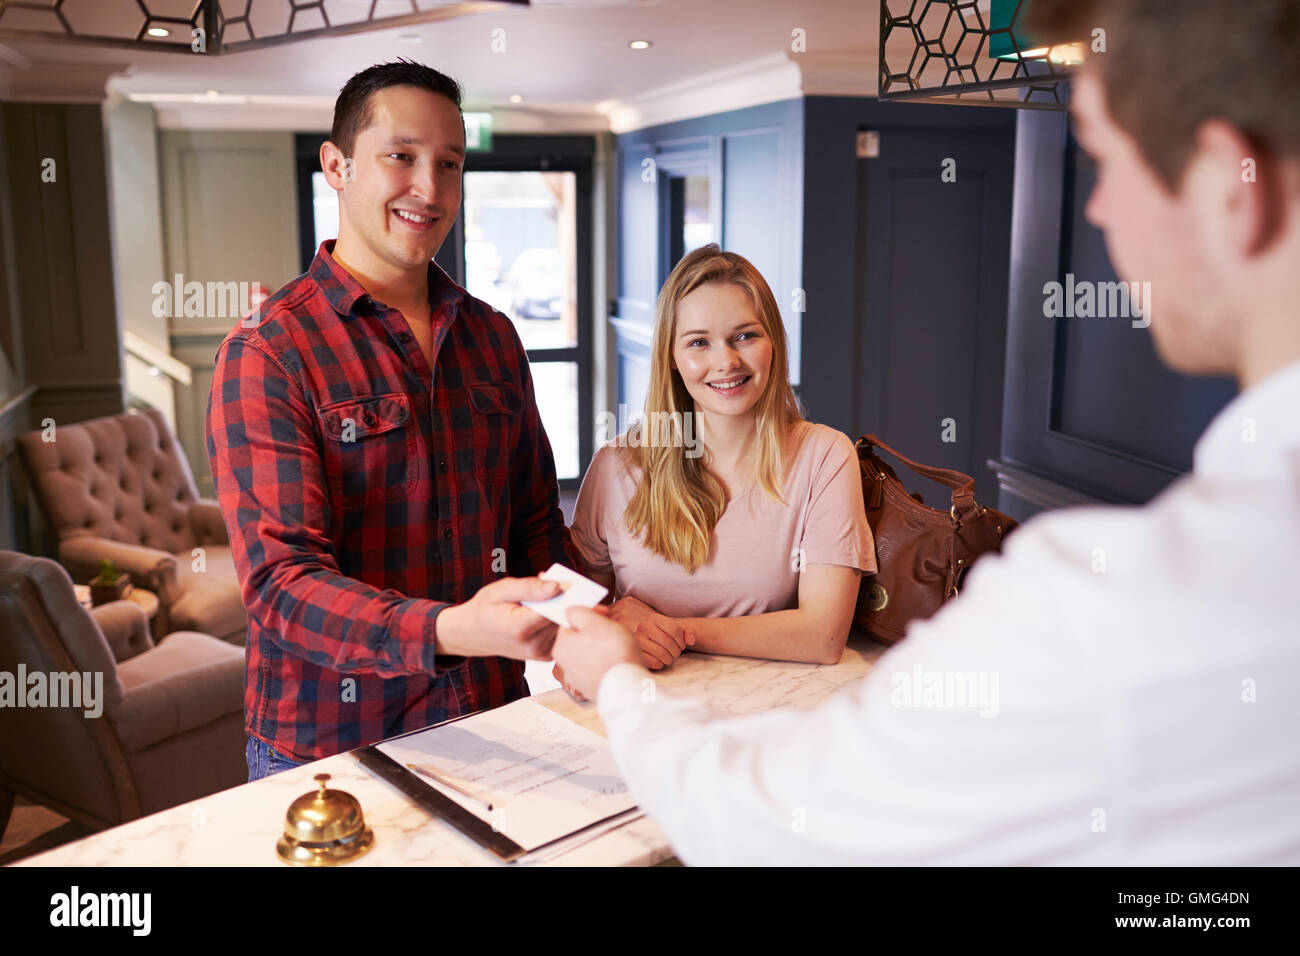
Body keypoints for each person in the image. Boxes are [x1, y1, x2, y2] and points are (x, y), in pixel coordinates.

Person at [551, 0, 1300, 864]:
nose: (1097, 216)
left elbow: (778, 823)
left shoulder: (1121, 607)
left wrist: (619, 679)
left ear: (1226, 188)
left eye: (1106, 164)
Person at [206, 61, 578, 781]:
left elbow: (536, 524)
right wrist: (452, 629)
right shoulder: (268, 351)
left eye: (449, 163)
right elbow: (284, 585)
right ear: (337, 166)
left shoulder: (493, 337)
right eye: (401, 157)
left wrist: (596, 612)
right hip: (332, 748)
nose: (429, 189)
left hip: (495, 714)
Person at [557, 246, 875, 696]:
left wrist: (675, 631)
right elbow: (578, 612)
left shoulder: (824, 456)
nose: (726, 361)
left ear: (774, 343)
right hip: (643, 713)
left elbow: (822, 636)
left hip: (774, 715)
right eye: (698, 342)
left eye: (745, 336)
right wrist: (591, 642)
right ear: (671, 356)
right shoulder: (617, 465)